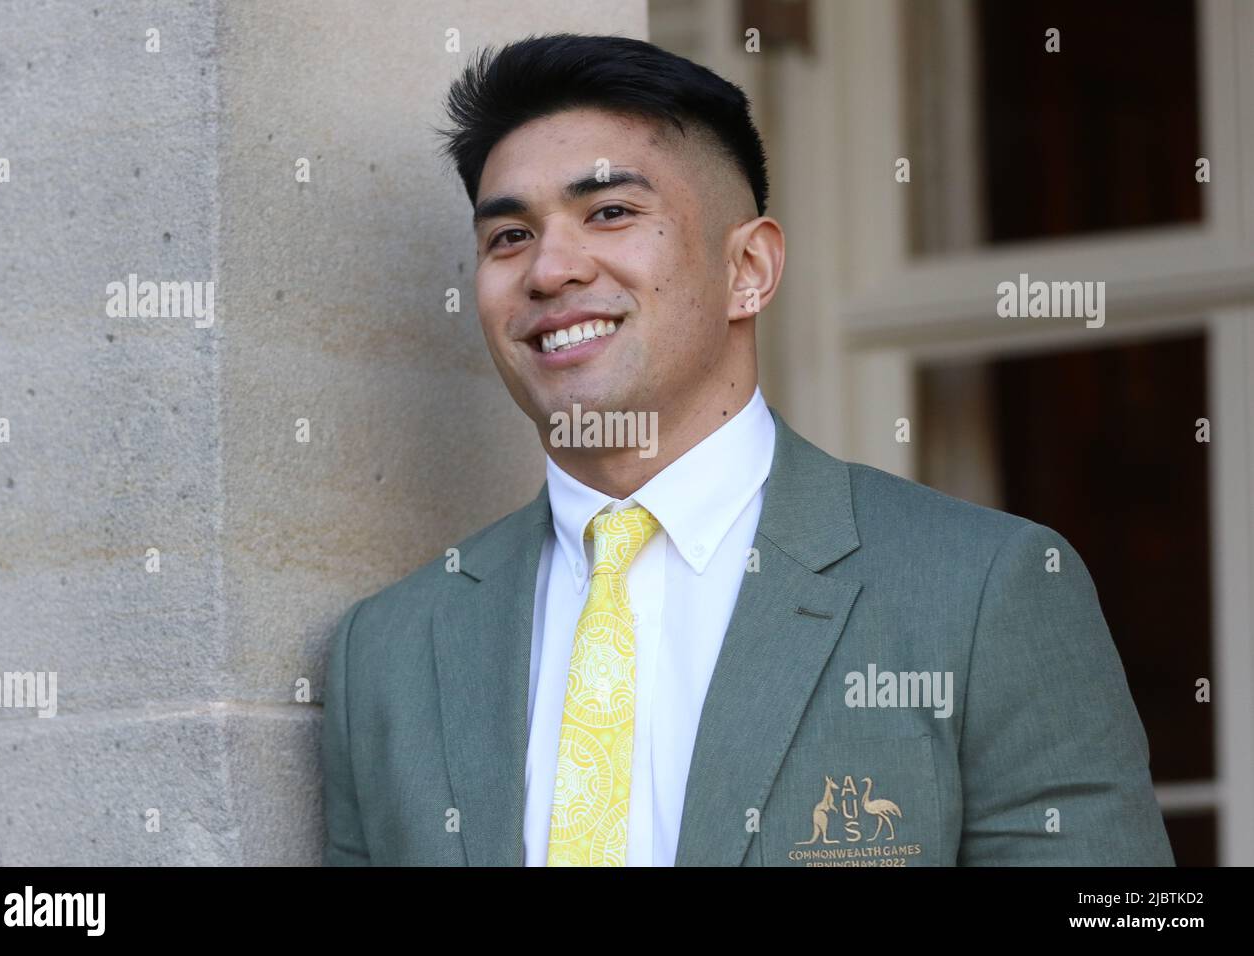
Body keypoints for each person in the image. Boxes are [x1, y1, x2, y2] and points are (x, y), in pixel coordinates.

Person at [321, 33, 1174, 866]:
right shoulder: (390, 650)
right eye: (508, 237)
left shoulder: (983, 591)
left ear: (749, 269)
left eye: (610, 212)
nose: (549, 269)